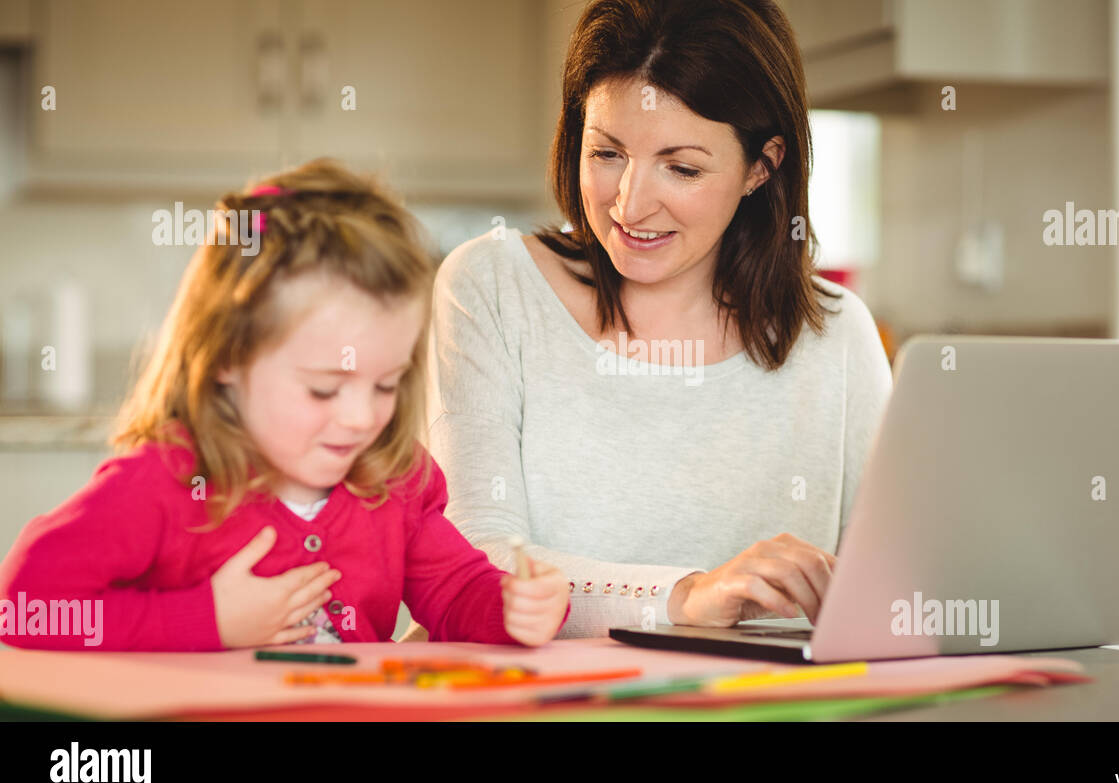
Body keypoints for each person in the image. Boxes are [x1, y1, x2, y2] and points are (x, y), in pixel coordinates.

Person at [401, 0, 892, 642]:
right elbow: (476, 564)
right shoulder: (491, 287)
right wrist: (687, 595)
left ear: (761, 166)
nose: (629, 204)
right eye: (607, 153)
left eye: (681, 167)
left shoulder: (839, 333)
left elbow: (893, 582)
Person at [0, 159, 569, 651]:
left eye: (386, 384)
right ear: (227, 354)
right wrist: (209, 620)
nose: (360, 418)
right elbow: (24, 607)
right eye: (324, 388)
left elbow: (455, 594)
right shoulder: (165, 483)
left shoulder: (393, 481)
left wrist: (514, 607)